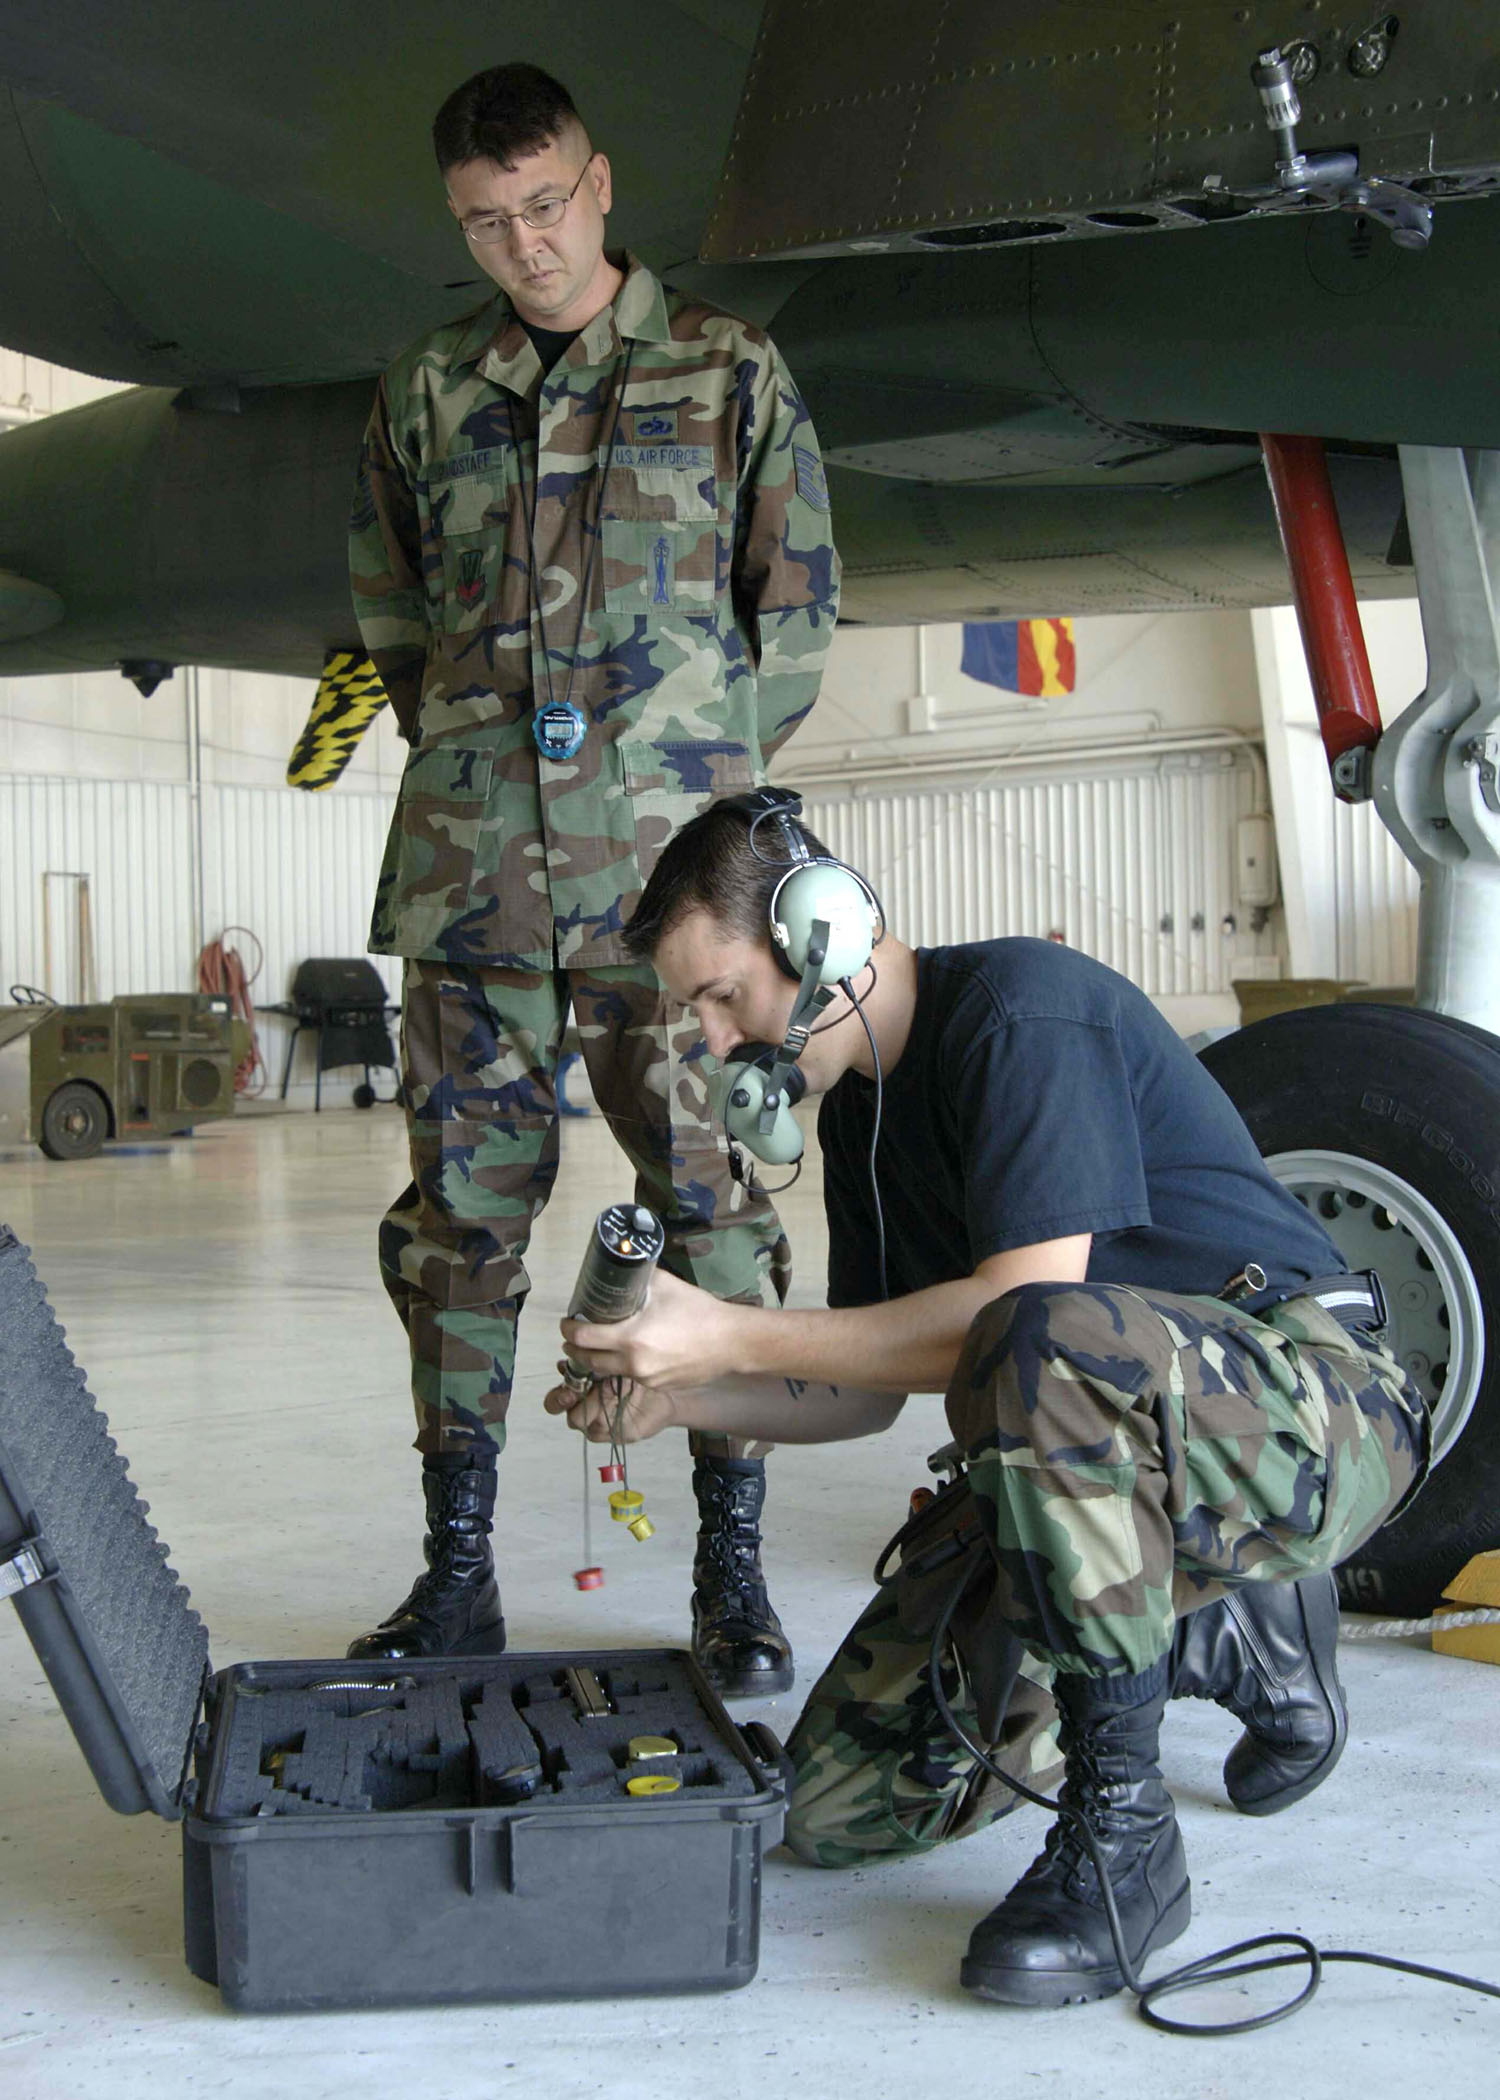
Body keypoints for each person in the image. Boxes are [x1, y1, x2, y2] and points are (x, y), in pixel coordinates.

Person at [546, 790, 1430, 2008]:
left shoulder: (1021, 1013)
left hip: (1322, 1408)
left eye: (720, 995)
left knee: (1033, 1329)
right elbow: (861, 1388)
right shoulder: (861, 1116)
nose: (705, 1038)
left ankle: (1123, 1834)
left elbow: (1017, 1313)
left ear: (823, 934)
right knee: (837, 1808)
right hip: (1115, 1443)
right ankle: (1215, 1616)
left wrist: (720, 1325)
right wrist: (689, 1394)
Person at [345, 65, 839, 1693]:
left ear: (602, 186)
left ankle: (734, 1577)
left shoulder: (723, 372)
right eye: (487, 222)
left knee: (717, 1217)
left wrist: (688, 806)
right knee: (458, 1238)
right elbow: (399, 623)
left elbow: (799, 617)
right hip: (477, 894)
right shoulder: (427, 392)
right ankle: (460, 1574)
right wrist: (490, 775)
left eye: (546, 205)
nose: (525, 244)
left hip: (672, 910)